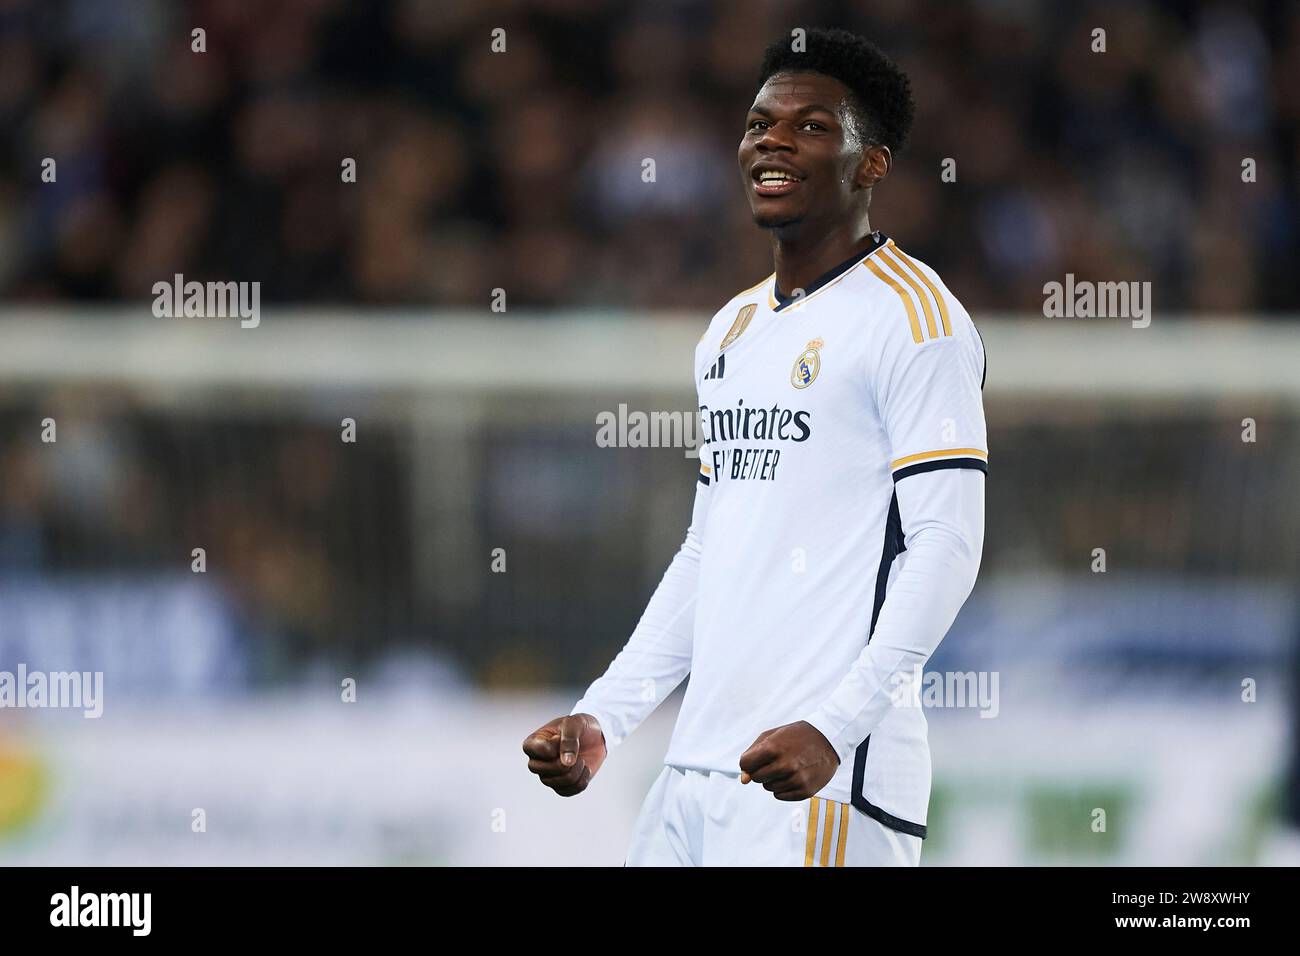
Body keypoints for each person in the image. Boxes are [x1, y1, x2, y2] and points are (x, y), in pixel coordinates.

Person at [523, 27, 987, 866]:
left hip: (824, 786)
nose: (771, 140)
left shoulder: (918, 320)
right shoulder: (730, 331)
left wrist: (835, 729)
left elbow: (948, 546)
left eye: (810, 126)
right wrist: (606, 715)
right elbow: (710, 548)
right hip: (693, 775)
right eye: (758, 123)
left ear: (871, 164)